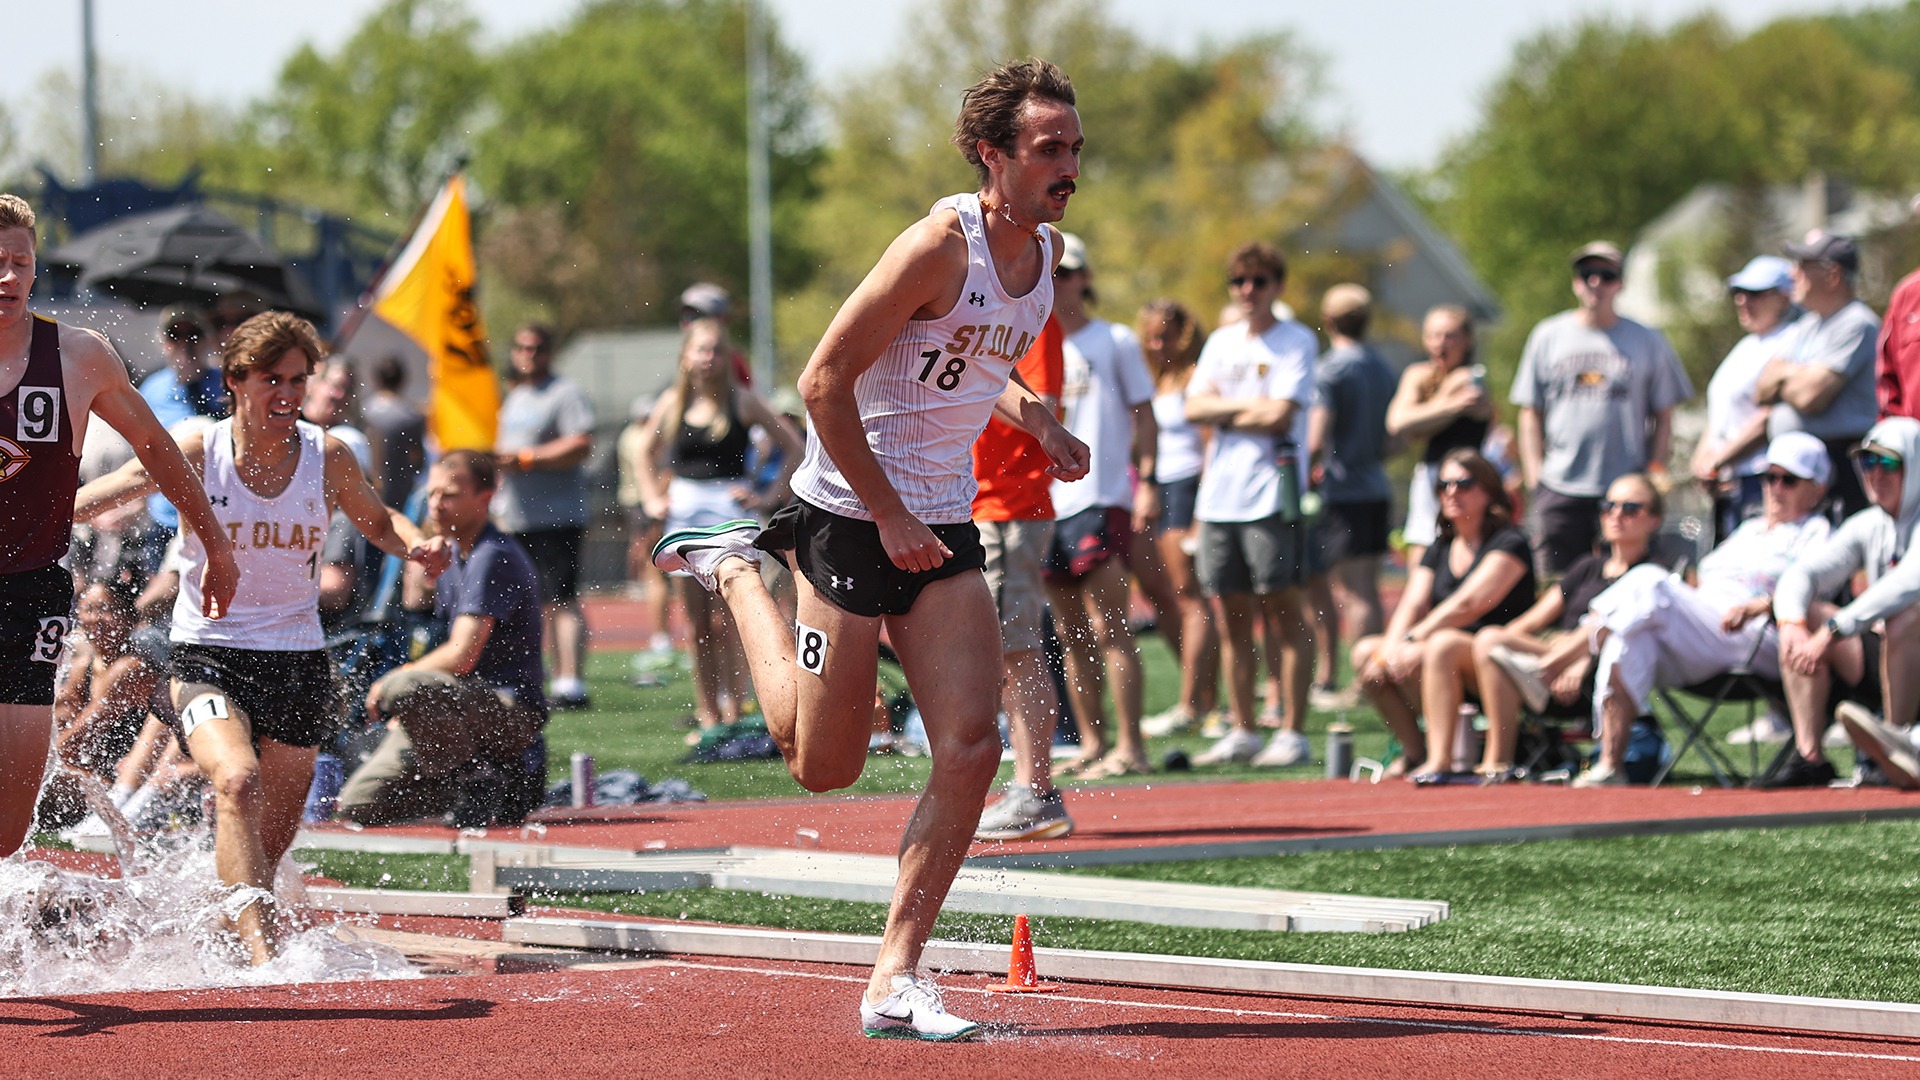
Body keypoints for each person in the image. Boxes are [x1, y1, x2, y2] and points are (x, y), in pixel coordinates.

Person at [651, 58, 1088, 1041]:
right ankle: (732, 568)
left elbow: (981, 364)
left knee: (971, 749)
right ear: (992, 155)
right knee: (822, 767)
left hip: (942, 525)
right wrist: (887, 511)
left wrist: (1038, 425)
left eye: (1074, 148)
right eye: (1048, 148)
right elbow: (821, 381)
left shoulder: (1047, 255)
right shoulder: (940, 244)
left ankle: (895, 974)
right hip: (851, 517)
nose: (1067, 165)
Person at [75, 311, 448, 964]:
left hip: (299, 663)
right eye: (272, 380)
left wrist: (421, 547)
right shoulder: (198, 447)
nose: (288, 395)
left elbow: (380, 519)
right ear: (235, 381)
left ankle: (225, 935)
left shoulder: (326, 455)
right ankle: (265, 963)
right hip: (208, 656)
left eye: (299, 381)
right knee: (236, 781)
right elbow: (112, 488)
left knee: (270, 855)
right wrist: (34, 502)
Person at [0, 193, 237, 857]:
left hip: (30, 593)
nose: (9, 277)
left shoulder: (78, 355)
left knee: (9, 828)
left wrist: (216, 544)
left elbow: (161, 454)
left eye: (21, 262)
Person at [1569, 434, 1834, 786]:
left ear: (1816, 489)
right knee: (1630, 637)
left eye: (1789, 479)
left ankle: (1569, 652)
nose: (1775, 488)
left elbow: (1817, 597)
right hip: (1706, 630)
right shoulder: (1748, 529)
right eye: (1769, 477)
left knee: (1650, 578)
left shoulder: (1817, 533)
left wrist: (1764, 605)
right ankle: (1610, 763)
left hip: (1759, 636)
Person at [339, 451, 548, 826]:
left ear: (484, 498)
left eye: (449, 495)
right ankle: (483, 787)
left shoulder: (492, 555)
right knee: (359, 805)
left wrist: (396, 681)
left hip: (509, 709)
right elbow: (418, 616)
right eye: (431, 494)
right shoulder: (451, 551)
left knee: (404, 685)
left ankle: (489, 775)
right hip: (457, 704)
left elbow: (462, 656)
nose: (436, 505)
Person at [1183, 242, 1318, 768]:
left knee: (1282, 610)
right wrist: (1246, 409)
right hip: (1220, 498)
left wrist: (1226, 410)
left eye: (1259, 282)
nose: (1247, 292)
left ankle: (1292, 729)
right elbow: (1194, 406)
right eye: (1239, 282)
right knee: (1232, 614)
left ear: (1277, 286)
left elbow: (1282, 415)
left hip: (1269, 494)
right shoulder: (1220, 340)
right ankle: (1243, 728)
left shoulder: (1296, 340)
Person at [635, 317, 802, 738]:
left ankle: (737, 706)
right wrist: (653, 496)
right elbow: (643, 452)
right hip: (684, 517)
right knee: (695, 623)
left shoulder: (742, 400)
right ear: (685, 356)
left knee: (730, 618)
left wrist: (768, 496)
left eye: (714, 349)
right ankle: (708, 713)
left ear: (725, 356)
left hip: (729, 516)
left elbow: (794, 446)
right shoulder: (673, 402)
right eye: (699, 349)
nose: (707, 358)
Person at [1041, 232, 1157, 778]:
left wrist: (1149, 482)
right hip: (1046, 503)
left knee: (1111, 625)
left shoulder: (1115, 340)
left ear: (1086, 278)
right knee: (1069, 634)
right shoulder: (1032, 343)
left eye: (1067, 272)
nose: (1058, 282)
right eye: (1050, 273)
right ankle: (1091, 741)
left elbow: (1145, 414)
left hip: (1101, 494)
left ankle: (1131, 745)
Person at [1513, 241, 1692, 576]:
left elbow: (1664, 414)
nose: (1596, 282)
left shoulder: (1647, 340)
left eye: (1606, 275)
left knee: (1625, 580)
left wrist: (1653, 472)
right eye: (1587, 274)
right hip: (1561, 483)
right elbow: (1530, 412)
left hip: (1624, 488)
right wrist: (1535, 474)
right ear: (1575, 282)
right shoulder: (1548, 335)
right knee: (1558, 582)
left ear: (1620, 283)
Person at [1353, 450, 1535, 778]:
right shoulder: (1441, 545)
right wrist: (1386, 654)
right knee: (1366, 651)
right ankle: (1415, 752)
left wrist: (1411, 639)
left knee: (1440, 644)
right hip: (1444, 655)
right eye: (1444, 485)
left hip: (1498, 660)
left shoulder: (1510, 541)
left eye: (1463, 484)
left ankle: (1442, 760)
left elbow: (1468, 604)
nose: (1451, 492)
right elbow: (1412, 602)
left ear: (1489, 490)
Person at [1472, 473, 1665, 782]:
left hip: (1594, 680)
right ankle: (1482, 759)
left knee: (1489, 642)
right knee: (1483, 641)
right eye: (1609, 506)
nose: (1616, 514)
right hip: (1554, 665)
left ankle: (1498, 760)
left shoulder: (1650, 575)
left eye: (1630, 508)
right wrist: (1562, 648)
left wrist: (1579, 659)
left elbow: (1625, 635)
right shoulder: (1586, 567)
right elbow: (1527, 623)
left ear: (1653, 520)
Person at [1768, 417, 1920, 788]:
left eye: (1887, 464)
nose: (1874, 475)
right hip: (1884, 657)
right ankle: (1810, 756)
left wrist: (1835, 630)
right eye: (1867, 463)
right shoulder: (1868, 524)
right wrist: (1791, 623)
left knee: (1904, 615)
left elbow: (1909, 582)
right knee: (1806, 612)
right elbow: (1802, 574)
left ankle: (1897, 746)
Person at [971, 315, 1074, 840]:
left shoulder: (1032, 319)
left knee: (1016, 646)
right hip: (985, 503)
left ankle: (1035, 790)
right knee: (1001, 648)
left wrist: (960, 383)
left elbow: (1041, 411)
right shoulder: (994, 309)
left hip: (1012, 504)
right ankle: (1026, 786)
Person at [494, 323, 595, 710]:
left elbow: (581, 443)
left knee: (562, 599)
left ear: (549, 352)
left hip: (557, 517)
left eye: (535, 348)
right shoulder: (516, 395)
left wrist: (527, 459)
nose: (527, 355)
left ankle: (571, 681)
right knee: (533, 603)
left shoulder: (564, 393)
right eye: (521, 347)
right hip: (518, 517)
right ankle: (543, 676)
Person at [1305, 284, 1396, 703]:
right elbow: (1394, 439)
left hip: (1345, 490)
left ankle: (1364, 681)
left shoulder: (1332, 369)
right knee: (1369, 588)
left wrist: (1308, 467)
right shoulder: (1381, 367)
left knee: (1354, 590)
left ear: (1328, 320)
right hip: (1376, 484)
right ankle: (1375, 673)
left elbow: (1316, 435)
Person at [1756, 231, 1881, 519]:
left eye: (1802, 265)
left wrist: (1786, 376)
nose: (1792, 273)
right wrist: (1801, 374)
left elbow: (1811, 397)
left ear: (1832, 275)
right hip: (1796, 470)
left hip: (1839, 466)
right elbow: (1761, 389)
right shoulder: (1807, 325)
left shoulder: (1857, 323)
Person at [1138, 299, 1220, 738]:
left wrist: (1203, 509)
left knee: (1191, 596)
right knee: (1169, 595)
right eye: (1151, 335)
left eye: (1166, 335)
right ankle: (1205, 700)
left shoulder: (1195, 379)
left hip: (1188, 488)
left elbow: (1209, 446)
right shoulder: (1159, 379)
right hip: (1162, 489)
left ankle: (1194, 704)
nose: (1157, 344)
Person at [41, 577, 170, 829]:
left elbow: (76, 738)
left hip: (130, 778)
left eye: (105, 610)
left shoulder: (133, 668)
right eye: (88, 610)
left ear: (131, 619)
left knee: (45, 780)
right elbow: (61, 721)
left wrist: (31, 766)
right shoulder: (84, 666)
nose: (95, 619)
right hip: (97, 775)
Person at [1692, 256, 1800, 543]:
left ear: (1784, 297)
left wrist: (1718, 460)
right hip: (1729, 480)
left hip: (1763, 478)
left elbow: (1769, 415)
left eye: (1755, 294)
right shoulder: (1746, 345)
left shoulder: (1794, 339)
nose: (1742, 301)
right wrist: (1704, 459)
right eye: (1738, 294)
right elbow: (1720, 415)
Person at [1385, 305, 1491, 572]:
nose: (1440, 343)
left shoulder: (1469, 377)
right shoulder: (1419, 374)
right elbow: (1398, 423)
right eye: (1433, 335)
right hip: (1430, 478)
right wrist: (1450, 406)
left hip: (1466, 481)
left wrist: (1423, 417)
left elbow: (1410, 424)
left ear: (1467, 340)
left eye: (1449, 336)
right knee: (1421, 553)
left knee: (1462, 553)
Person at [360, 355, 427, 502]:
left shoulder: (361, 412)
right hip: (398, 496)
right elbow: (418, 461)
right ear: (404, 381)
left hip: (364, 496)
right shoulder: (411, 417)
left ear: (375, 378)